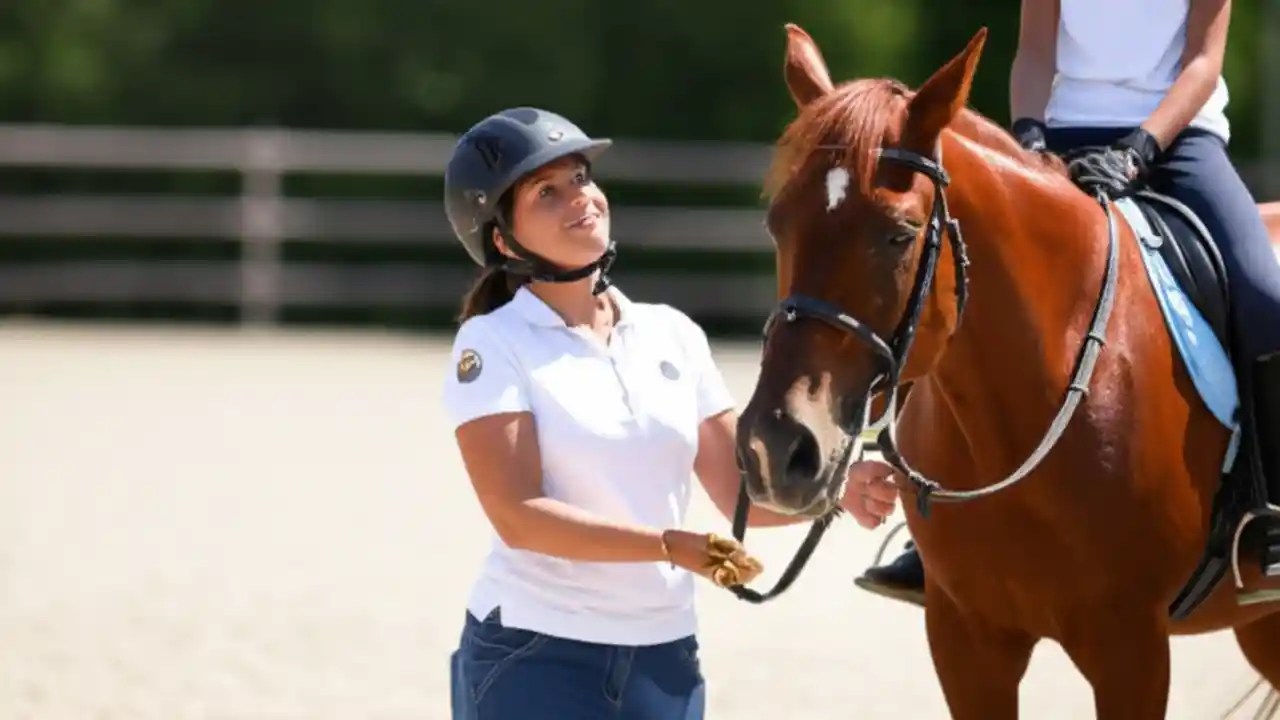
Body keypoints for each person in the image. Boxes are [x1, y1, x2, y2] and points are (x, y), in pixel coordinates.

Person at [442, 106, 901, 719]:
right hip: (535, 651)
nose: (580, 199)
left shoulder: (672, 333)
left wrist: (838, 491)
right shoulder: (491, 344)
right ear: (503, 240)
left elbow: (737, 490)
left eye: (580, 178)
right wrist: (667, 545)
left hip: (664, 657)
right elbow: (518, 516)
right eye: (546, 193)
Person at [856, 0, 1280, 607]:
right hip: (1060, 140)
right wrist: (1029, 138)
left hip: (1181, 143)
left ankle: (1266, 510)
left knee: (1265, 296)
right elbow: (1034, 53)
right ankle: (932, 525)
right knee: (947, 274)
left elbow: (1203, 64)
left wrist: (1138, 149)